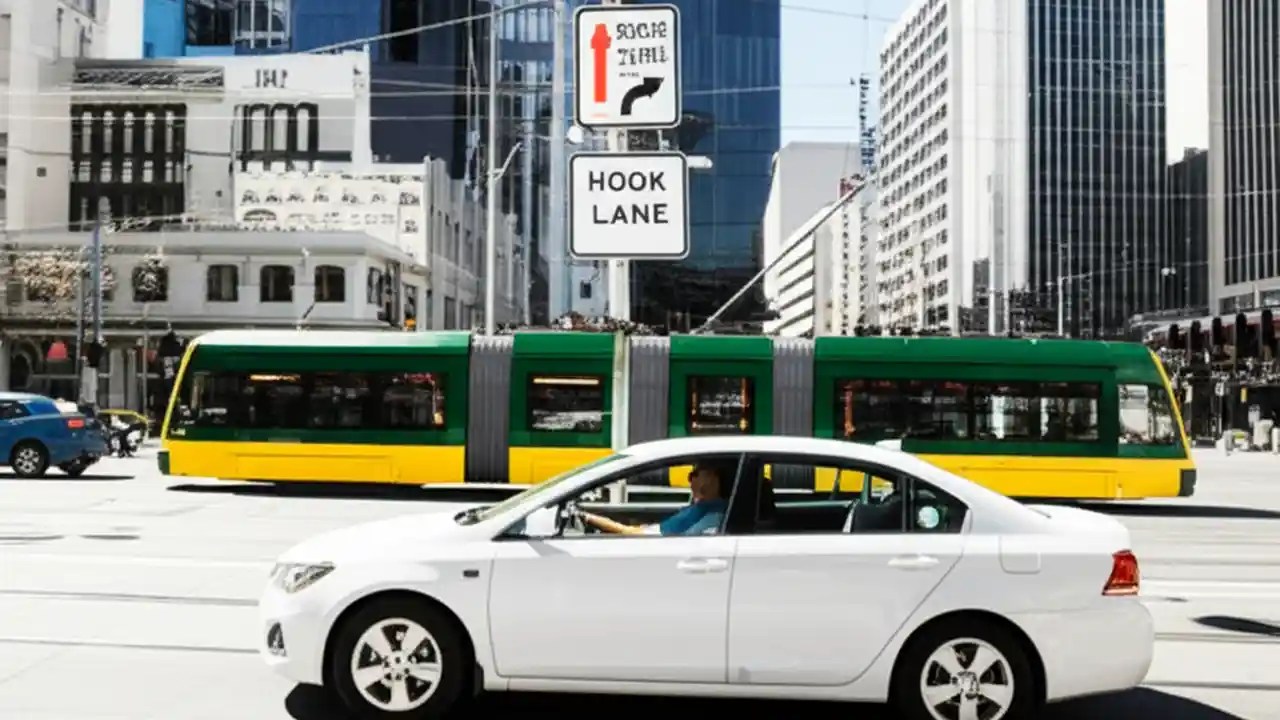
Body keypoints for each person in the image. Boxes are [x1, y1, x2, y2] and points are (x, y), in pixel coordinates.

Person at [577, 462, 731, 536]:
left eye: (695, 474)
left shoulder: (710, 514)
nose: (689, 479)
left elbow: (632, 533)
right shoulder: (707, 509)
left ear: (713, 478)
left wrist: (589, 518)